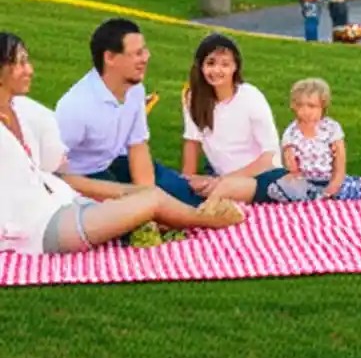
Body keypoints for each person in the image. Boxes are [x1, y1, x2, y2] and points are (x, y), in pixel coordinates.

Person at [1, 33, 243, 256]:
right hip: (40, 226)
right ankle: (205, 220)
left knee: (145, 194)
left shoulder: (22, 109)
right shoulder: (71, 104)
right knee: (153, 200)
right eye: (20, 63)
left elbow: (53, 162)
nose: (30, 70)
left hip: (62, 200)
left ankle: (162, 220)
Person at [55, 19, 202, 206]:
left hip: (115, 162)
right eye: (137, 54)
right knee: (126, 217)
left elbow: (137, 145)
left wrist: (147, 196)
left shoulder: (135, 89)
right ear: (110, 58)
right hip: (83, 178)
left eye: (145, 51)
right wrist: (133, 197)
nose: (146, 58)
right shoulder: (76, 106)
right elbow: (53, 172)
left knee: (187, 197)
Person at [181, 34, 322, 204]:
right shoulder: (193, 98)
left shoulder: (250, 96)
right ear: (201, 66)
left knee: (223, 190)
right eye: (210, 63)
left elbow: (269, 155)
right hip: (221, 176)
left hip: (262, 175)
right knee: (178, 186)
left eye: (225, 64)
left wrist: (223, 181)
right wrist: (186, 181)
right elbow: (192, 141)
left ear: (235, 67)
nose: (217, 70)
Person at [281, 79, 361, 200]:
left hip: (330, 179)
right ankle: (311, 195)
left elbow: (340, 162)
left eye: (311, 106)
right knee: (282, 189)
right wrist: (301, 185)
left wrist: (333, 186)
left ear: (323, 106)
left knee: (349, 188)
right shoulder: (291, 133)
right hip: (305, 181)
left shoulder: (331, 129)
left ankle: (327, 195)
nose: (306, 111)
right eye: (300, 105)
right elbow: (292, 168)